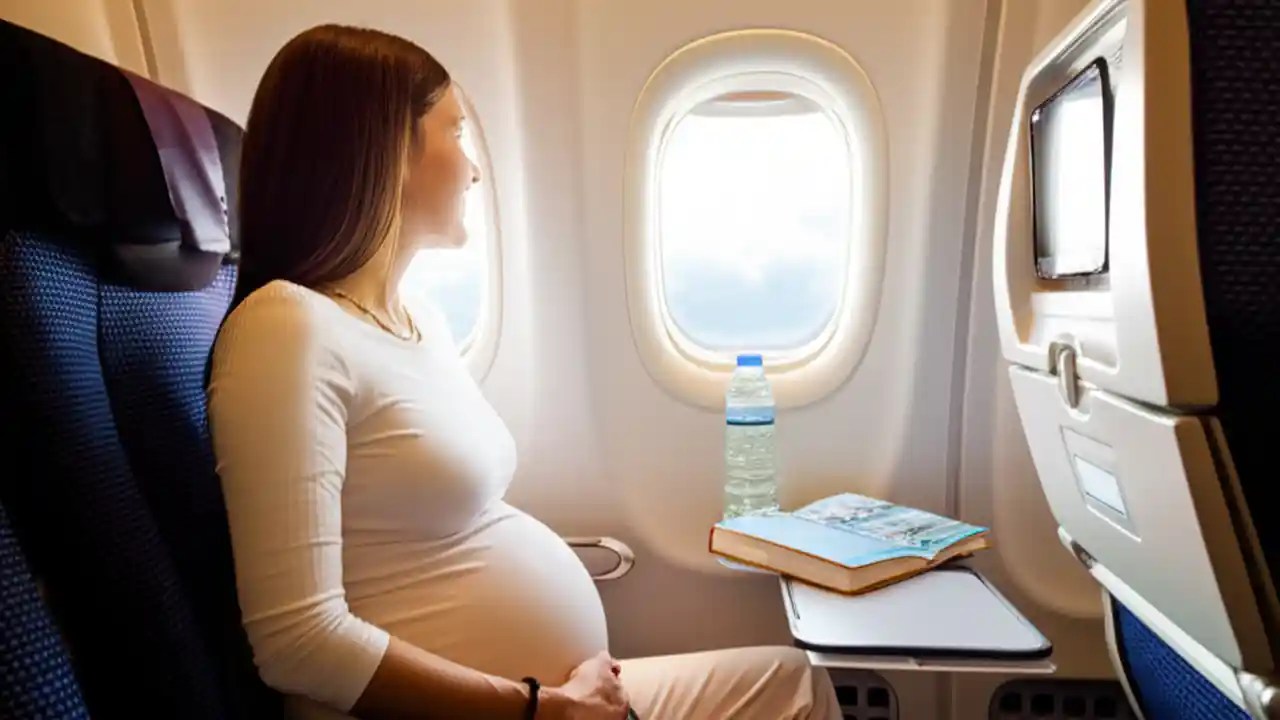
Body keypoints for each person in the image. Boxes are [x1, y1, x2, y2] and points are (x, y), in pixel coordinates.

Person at [207, 24, 842, 720]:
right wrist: (540, 706)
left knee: (793, 683)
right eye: (455, 135)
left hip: (554, 702)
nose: (474, 169)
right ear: (389, 151)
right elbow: (298, 642)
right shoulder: (286, 329)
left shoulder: (417, 322)